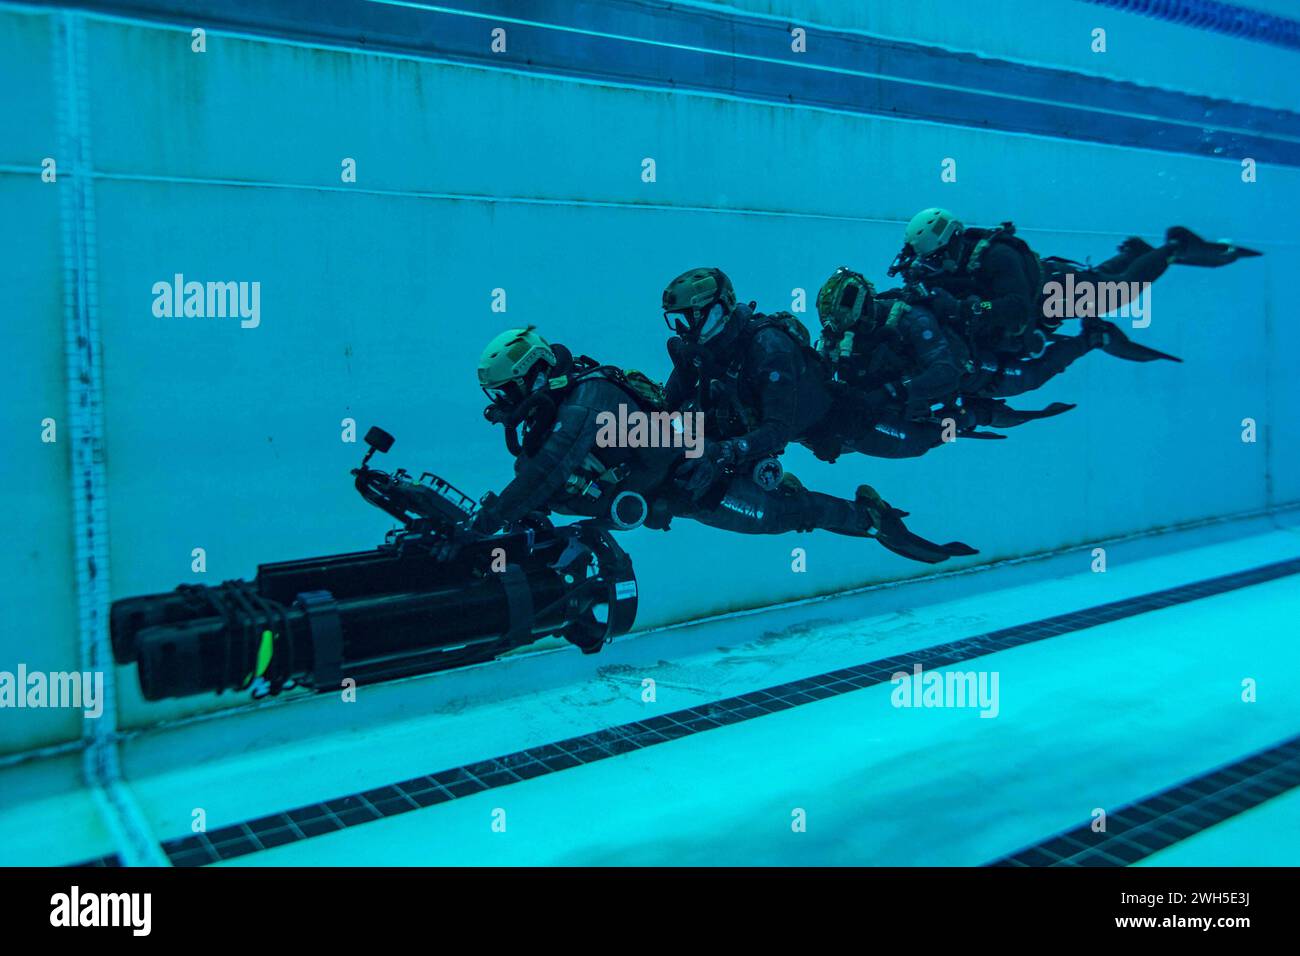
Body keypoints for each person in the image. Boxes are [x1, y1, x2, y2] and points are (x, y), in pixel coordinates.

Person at [474, 325, 976, 563]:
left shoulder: (587, 400)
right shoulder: (564, 411)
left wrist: (489, 521)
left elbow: (549, 470)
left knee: (782, 517)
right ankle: (819, 501)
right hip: (678, 482)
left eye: (507, 391)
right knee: (780, 512)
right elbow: (550, 474)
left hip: (699, 479)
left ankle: (870, 518)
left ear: (533, 373)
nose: (505, 404)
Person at [887, 207, 1253, 359]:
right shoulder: (953, 261)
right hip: (1053, 285)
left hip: (1058, 294)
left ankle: (1176, 246)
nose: (932, 265)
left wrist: (971, 308)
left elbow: (1014, 307)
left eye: (934, 257)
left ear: (951, 241)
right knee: (1104, 279)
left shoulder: (996, 256)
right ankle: (1135, 251)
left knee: (1120, 291)